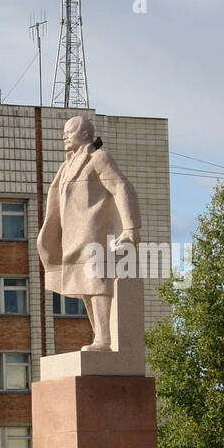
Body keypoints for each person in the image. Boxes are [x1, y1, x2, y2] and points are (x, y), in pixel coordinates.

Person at [36, 116, 142, 352]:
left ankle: (103, 339)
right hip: (72, 236)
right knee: (85, 286)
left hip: (95, 231)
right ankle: (99, 335)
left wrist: (131, 228)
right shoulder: (66, 165)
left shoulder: (98, 158)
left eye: (69, 132)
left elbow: (121, 186)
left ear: (85, 134)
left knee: (97, 282)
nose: (64, 136)